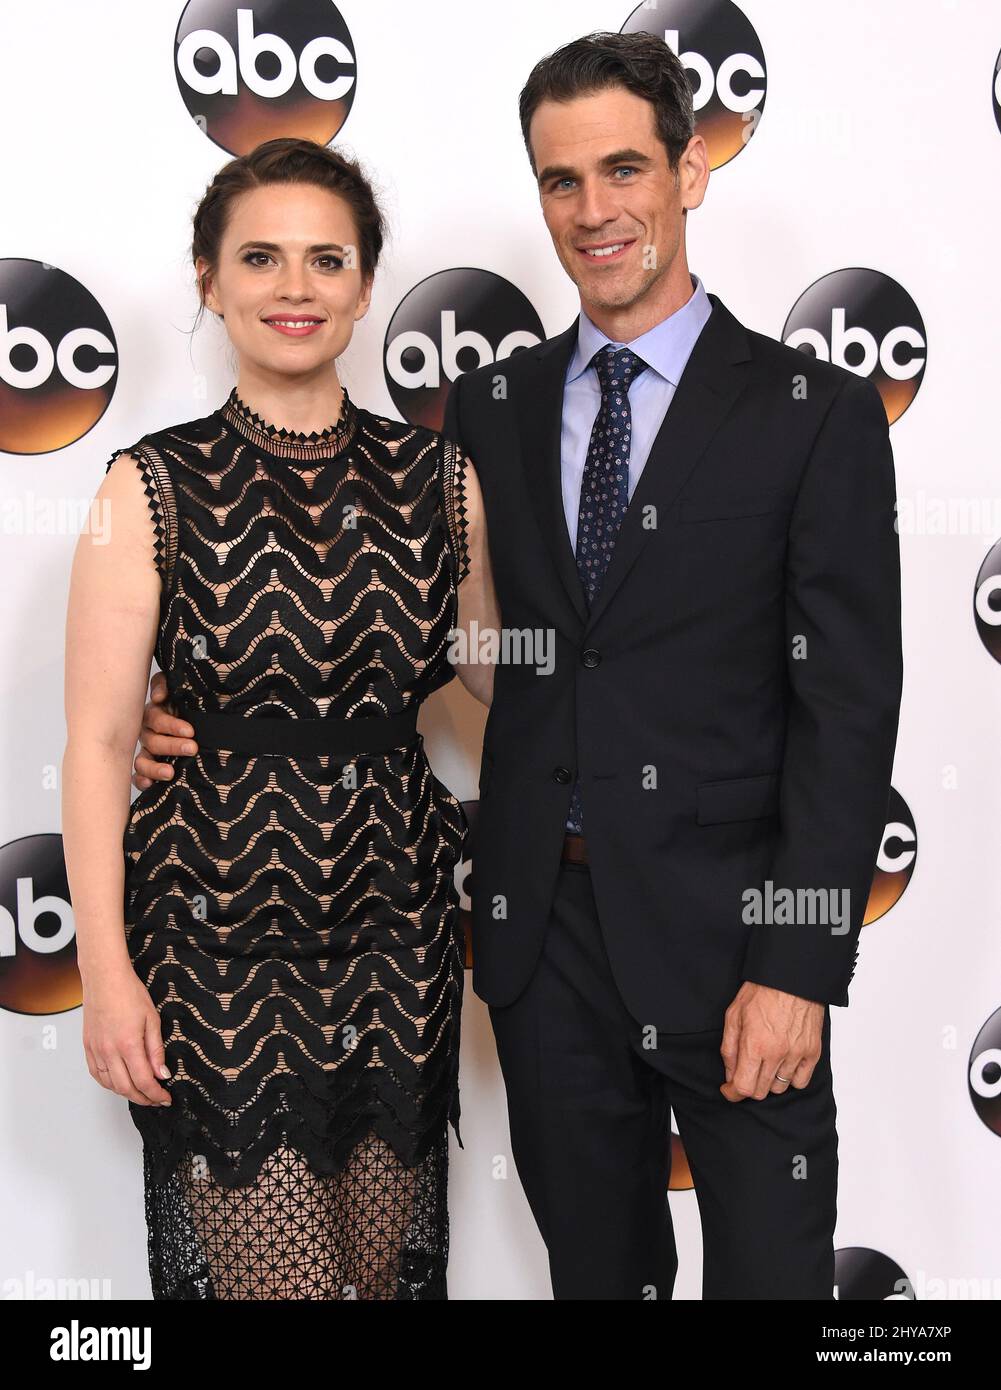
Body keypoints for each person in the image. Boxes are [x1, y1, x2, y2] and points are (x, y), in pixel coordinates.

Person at [131, 32, 903, 1300]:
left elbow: (849, 711)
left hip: (740, 944)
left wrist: (797, 967)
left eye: (620, 171)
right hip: (545, 945)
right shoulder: (491, 408)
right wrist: (202, 706)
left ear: (689, 169)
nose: (592, 212)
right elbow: (449, 635)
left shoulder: (807, 413)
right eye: (559, 180)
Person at [61, 136, 498, 1301]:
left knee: (374, 1280)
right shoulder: (144, 486)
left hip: (394, 934)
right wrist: (107, 975)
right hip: (213, 947)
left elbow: (505, 677)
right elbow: (101, 745)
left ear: (364, 285)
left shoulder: (440, 479)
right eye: (260, 258)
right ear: (207, 279)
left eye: (325, 260)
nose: (293, 288)